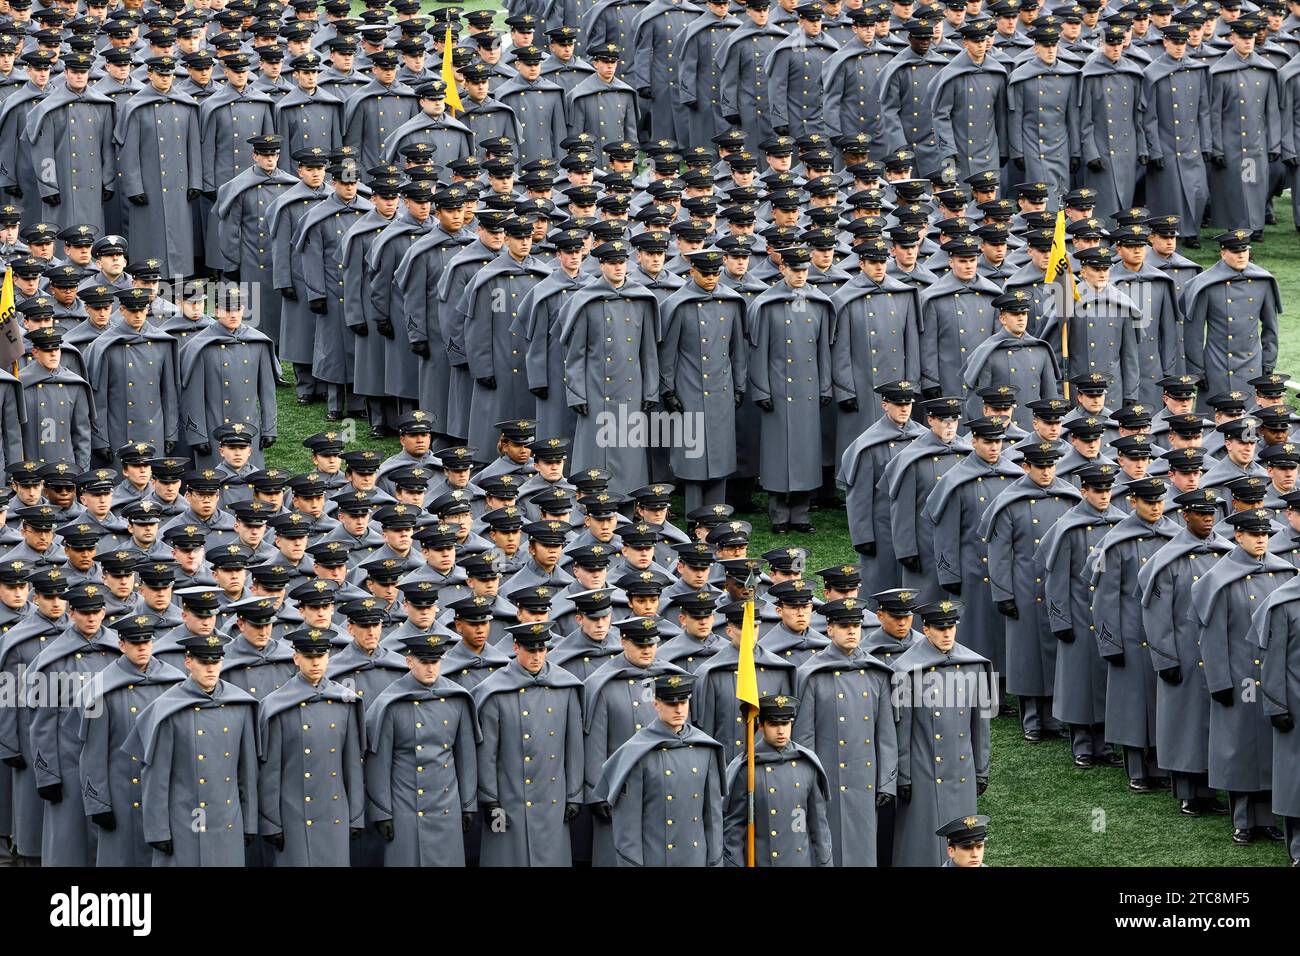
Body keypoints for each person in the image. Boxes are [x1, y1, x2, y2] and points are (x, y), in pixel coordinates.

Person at [122, 630, 260, 866]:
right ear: (188, 662)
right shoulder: (168, 709)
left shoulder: (241, 705)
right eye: (203, 662)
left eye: (215, 662)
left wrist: (249, 822)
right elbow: (156, 777)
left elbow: (247, 772)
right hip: (183, 823)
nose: (210, 669)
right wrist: (157, 831)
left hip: (227, 820)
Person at [982, 440, 1082, 741]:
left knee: (1056, 655)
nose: (1047, 472)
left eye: (1051, 465)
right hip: (1024, 588)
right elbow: (999, 554)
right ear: (1027, 467)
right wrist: (1003, 594)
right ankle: (1032, 720)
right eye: (1040, 466)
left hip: (1059, 589)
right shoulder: (1010, 503)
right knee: (1026, 657)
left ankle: (1055, 718)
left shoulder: (1068, 498)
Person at [1140, 489, 1233, 814]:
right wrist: (1165, 657)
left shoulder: (1225, 553)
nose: (1209, 518)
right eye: (1201, 513)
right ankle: (1187, 792)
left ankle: (1210, 791)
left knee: (1211, 724)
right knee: (1184, 725)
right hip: (1184, 655)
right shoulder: (1169, 559)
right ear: (1185, 516)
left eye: (1212, 513)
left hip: (1218, 656)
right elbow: (1155, 613)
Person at [1091, 476, 1182, 790]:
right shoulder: (1118, 541)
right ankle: (1136, 770)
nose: (1156, 507)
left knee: (1162, 703)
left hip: (1165, 635)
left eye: (1160, 501)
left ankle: (1159, 766)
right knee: (1132, 706)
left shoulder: (1175, 536)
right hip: (1131, 635)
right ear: (1133, 502)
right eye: (1149, 502)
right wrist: (1109, 642)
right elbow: (1104, 598)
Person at [794, 597, 898, 866]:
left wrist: (886, 781)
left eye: (856, 625)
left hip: (866, 781)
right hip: (828, 781)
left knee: (864, 849)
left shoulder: (877, 673)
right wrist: (807, 783)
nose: (852, 631)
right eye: (844, 625)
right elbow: (804, 738)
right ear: (829, 629)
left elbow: (885, 734)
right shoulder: (812, 675)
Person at [76, 612, 184, 867]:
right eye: (136, 643)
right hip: (123, 791)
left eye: (146, 642)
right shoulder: (103, 691)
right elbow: (93, 753)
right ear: (122, 645)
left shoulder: (174, 682)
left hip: (164, 791)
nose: (143, 648)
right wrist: (98, 803)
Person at [472, 620, 583, 867]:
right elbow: (487, 754)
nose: (536, 656)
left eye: (541, 649)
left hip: (552, 799)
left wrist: (574, 795)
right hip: (509, 800)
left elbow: (574, 747)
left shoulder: (565, 686)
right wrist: (490, 801)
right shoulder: (495, 691)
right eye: (530, 650)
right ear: (515, 647)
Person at [364, 631, 480, 867]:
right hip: (405, 806)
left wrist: (468, 804)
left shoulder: (457, 698)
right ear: (409, 661)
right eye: (424, 662)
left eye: (435, 661)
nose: (430, 668)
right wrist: (382, 812)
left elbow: (466, 757)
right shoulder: (391, 703)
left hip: (445, 804)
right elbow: (379, 764)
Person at [891, 599, 993, 867]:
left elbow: (980, 725)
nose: (947, 634)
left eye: (951, 627)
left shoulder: (974, 665)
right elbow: (902, 729)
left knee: (965, 837)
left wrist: (981, 770)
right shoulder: (907, 671)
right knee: (923, 843)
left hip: (962, 773)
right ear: (926, 629)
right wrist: (903, 775)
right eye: (940, 628)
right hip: (924, 773)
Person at [256, 626, 366, 867]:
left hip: (334, 813)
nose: (315, 662)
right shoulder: (277, 705)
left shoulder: (344, 701)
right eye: (309, 656)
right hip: (294, 815)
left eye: (320, 655)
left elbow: (352, 766)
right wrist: (271, 822)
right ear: (296, 658)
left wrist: (356, 816)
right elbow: (271, 771)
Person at [593, 672, 726, 866]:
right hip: (655, 858)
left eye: (683, 703)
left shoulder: (706, 749)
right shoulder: (638, 752)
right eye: (671, 704)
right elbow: (628, 826)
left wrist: (715, 861)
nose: (679, 710)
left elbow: (713, 816)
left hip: (696, 858)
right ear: (656, 704)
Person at [721, 692, 832, 866]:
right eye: (773, 724)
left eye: (785, 723)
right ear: (761, 726)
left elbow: (819, 827)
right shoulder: (747, 768)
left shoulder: (807, 764)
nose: (781, 731)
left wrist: (825, 863)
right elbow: (734, 831)